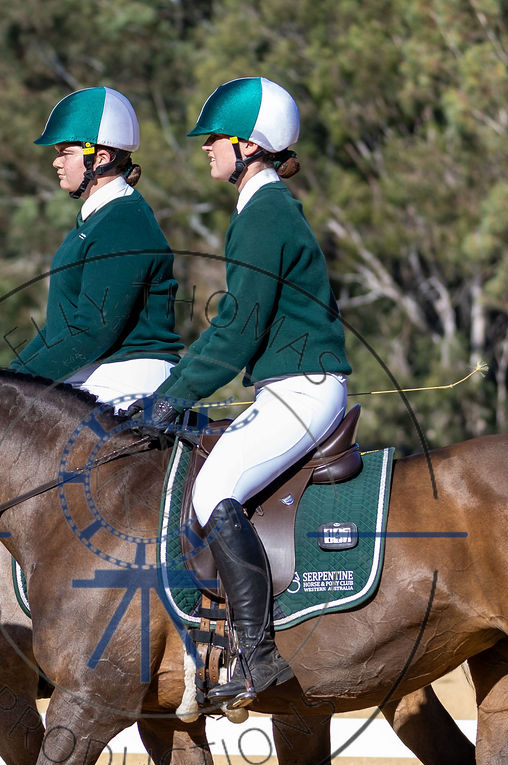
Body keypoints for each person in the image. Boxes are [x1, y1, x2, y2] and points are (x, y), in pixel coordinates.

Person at [138, 76, 352, 707]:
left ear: (250, 146)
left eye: (216, 140)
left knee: (212, 490)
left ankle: (257, 656)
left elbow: (239, 328)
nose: (206, 149)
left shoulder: (263, 214)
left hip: (302, 390)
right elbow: (234, 324)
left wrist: (171, 397)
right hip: (288, 387)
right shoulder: (264, 208)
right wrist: (177, 386)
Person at [9, 86, 180, 408]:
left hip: (127, 376)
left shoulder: (124, 223)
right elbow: (61, 325)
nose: (56, 162)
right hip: (93, 372)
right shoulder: (96, 220)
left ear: (100, 158)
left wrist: (18, 384)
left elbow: (95, 330)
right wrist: (9, 376)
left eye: (65, 152)